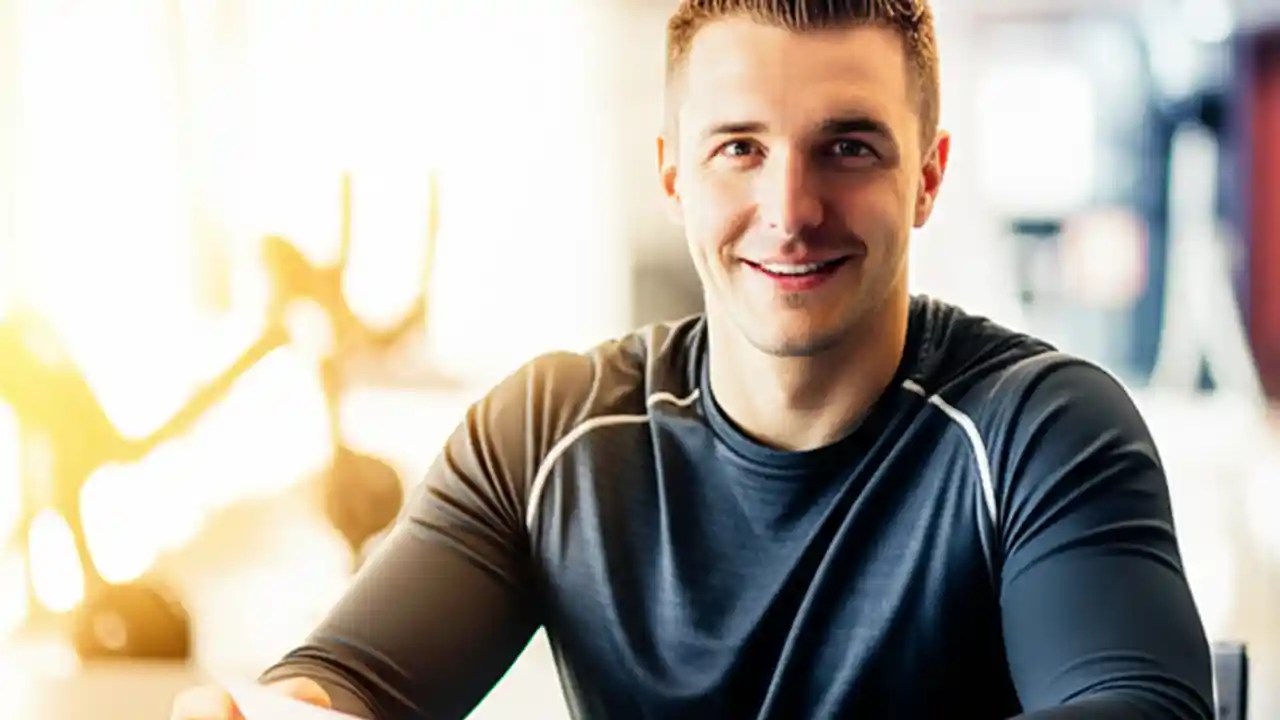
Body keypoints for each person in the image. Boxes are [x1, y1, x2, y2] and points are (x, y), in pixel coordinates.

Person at [171, 1, 1215, 718]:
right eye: (738, 148)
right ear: (672, 172)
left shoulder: (1039, 429)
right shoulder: (542, 437)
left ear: (928, 177)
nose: (790, 212)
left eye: (847, 147)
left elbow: (1126, 707)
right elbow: (348, 684)